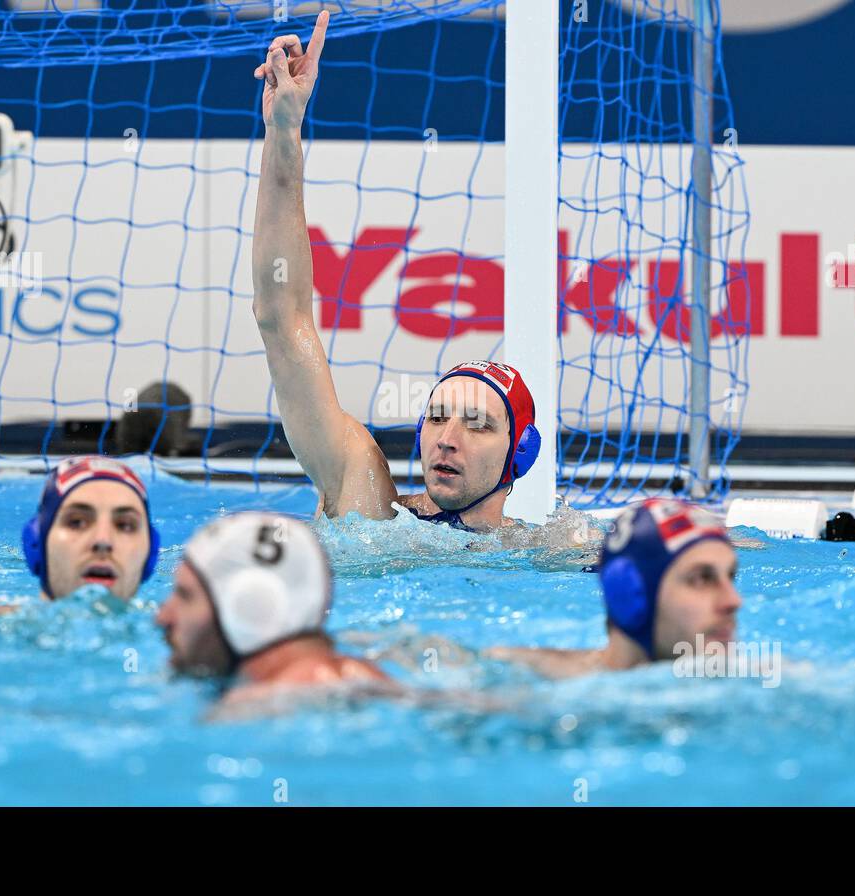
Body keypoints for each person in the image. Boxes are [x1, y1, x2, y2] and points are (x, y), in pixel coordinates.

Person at [250, 11, 541, 532]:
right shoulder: (367, 500)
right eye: (437, 416)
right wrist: (284, 134)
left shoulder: (553, 554)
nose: (447, 438)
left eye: (477, 425)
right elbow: (280, 315)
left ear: (519, 455)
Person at [155, 512, 390, 707]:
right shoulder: (364, 675)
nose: (162, 617)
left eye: (185, 596)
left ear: (251, 609)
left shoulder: (250, 708)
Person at [486, 498, 742, 677]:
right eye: (700, 579)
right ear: (632, 593)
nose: (733, 600)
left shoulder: (760, 680)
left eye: (730, 577)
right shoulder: (522, 680)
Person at [0, 455, 160, 627]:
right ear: (36, 545)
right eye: (77, 522)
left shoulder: (182, 641)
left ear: (150, 555)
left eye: (125, 525)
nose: (103, 540)